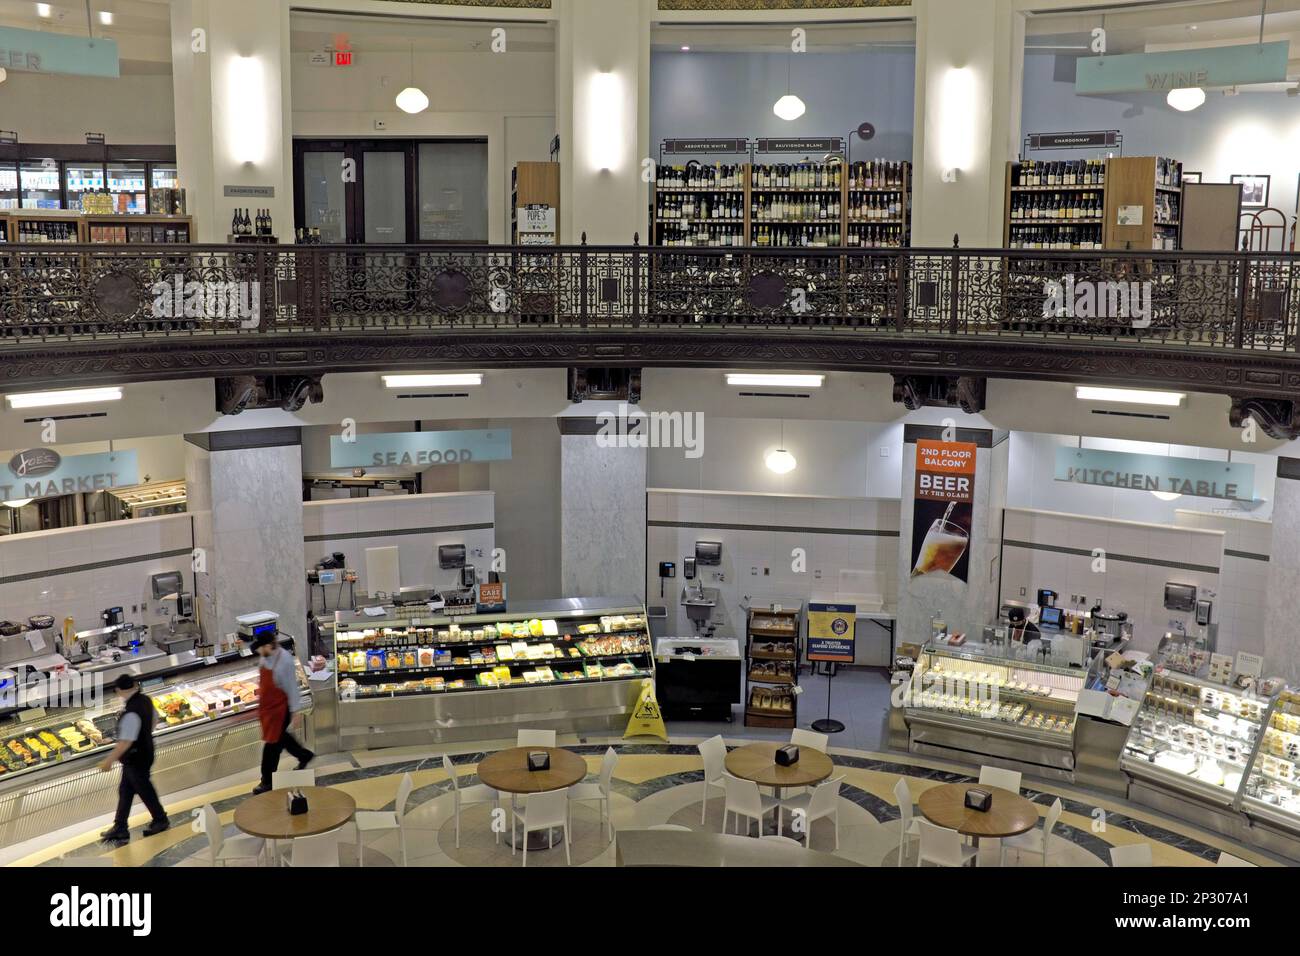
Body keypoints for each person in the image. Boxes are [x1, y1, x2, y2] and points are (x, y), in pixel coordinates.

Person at [98, 674, 170, 844]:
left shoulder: (131, 713)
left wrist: (109, 760)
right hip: (146, 751)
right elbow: (155, 719)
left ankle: (161, 819)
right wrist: (144, 735)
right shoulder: (145, 700)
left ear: (119, 690)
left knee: (145, 789)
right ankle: (120, 827)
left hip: (136, 757)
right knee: (126, 790)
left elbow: (125, 743)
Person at [253, 633, 313, 794]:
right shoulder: (265, 656)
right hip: (268, 709)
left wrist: (295, 711)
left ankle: (267, 781)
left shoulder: (285, 661)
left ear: (268, 646)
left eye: (261, 648)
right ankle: (304, 755)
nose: (259, 652)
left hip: (281, 709)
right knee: (281, 739)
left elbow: (292, 687)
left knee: (272, 746)